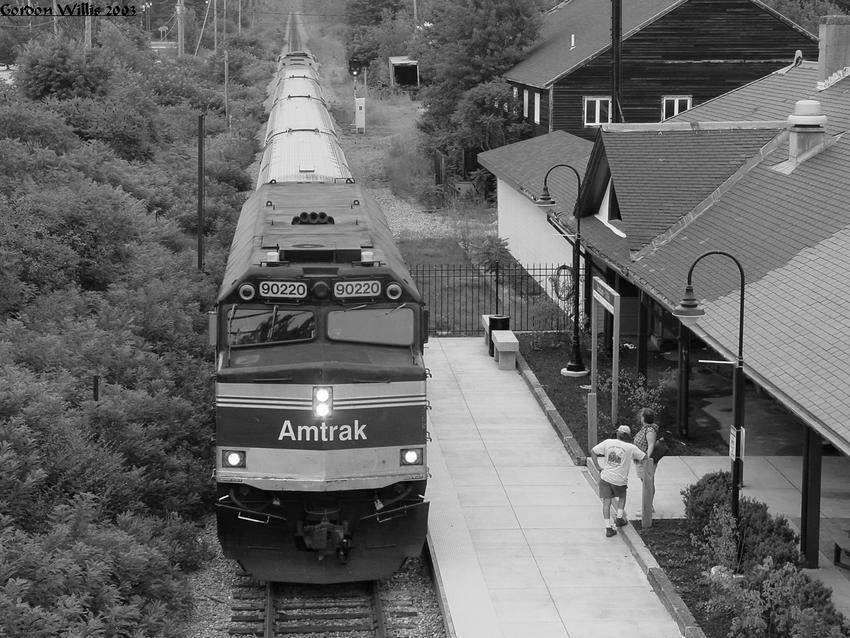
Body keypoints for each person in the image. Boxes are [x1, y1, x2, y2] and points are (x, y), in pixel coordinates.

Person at [590, 425, 646, 537]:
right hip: (620, 480)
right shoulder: (631, 447)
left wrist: (598, 467)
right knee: (622, 496)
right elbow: (644, 457)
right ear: (628, 436)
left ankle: (608, 528)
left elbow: (593, 451)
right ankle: (619, 518)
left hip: (606, 478)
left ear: (617, 434)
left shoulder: (608, 442)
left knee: (606, 503)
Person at [634, 408, 660, 513]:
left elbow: (651, 445)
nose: (640, 417)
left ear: (644, 418)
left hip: (645, 461)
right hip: (640, 460)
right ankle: (649, 506)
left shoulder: (650, 430)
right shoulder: (646, 428)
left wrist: (646, 460)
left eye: (641, 415)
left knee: (648, 483)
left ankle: (648, 507)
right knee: (647, 483)